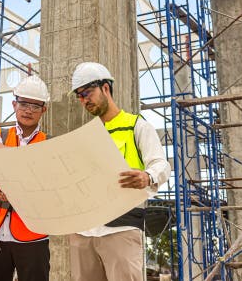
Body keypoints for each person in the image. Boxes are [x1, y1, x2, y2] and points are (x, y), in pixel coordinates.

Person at [69, 62, 171, 281]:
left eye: (87, 92)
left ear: (106, 88)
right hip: (83, 231)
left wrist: (147, 176)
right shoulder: (85, 136)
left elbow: (162, 165)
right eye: (79, 96)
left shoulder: (136, 126)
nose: (84, 100)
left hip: (121, 228)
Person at [0, 75, 51, 281]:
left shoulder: (50, 144)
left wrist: (16, 185)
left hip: (32, 235)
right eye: (24, 103)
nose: (28, 110)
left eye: (35, 106)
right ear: (14, 104)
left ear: (44, 109)